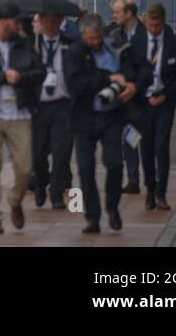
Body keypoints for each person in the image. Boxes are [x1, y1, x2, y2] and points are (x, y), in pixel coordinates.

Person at [64, 13, 150, 234]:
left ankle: (112, 206)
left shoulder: (118, 49)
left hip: (112, 116)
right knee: (85, 169)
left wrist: (133, 86)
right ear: (82, 35)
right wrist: (108, 79)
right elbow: (76, 84)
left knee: (114, 163)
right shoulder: (74, 53)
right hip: (84, 117)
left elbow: (142, 70)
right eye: (90, 38)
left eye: (97, 37)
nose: (95, 42)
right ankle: (92, 216)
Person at [0, 3, 44, 234]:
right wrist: (1, 77)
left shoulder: (24, 45)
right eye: (15, 22)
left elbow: (40, 73)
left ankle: (15, 198)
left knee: (24, 168)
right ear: (3, 22)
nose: (19, 26)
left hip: (19, 114)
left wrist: (20, 77)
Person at [131, 3, 176, 211]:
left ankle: (162, 192)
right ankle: (150, 189)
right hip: (143, 103)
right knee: (145, 148)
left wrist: (166, 95)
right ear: (146, 23)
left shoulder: (175, 43)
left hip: (164, 102)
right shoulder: (137, 42)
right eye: (150, 26)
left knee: (161, 146)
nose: (153, 30)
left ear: (163, 23)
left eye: (157, 26)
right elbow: (131, 70)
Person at [30, 12, 76, 209]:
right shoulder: (32, 46)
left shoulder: (70, 44)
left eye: (52, 21)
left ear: (59, 22)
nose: (49, 25)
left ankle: (56, 193)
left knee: (60, 150)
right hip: (38, 105)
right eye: (45, 21)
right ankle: (41, 182)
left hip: (62, 104)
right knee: (37, 153)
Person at [106, 0, 145, 194]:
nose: (113, 16)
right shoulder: (114, 35)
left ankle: (151, 181)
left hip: (143, 95)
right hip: (123, 97)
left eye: (117, 12)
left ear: (128, 14)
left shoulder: (147, 35)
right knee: (128, 138)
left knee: (146, 140)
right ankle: (133, 179)